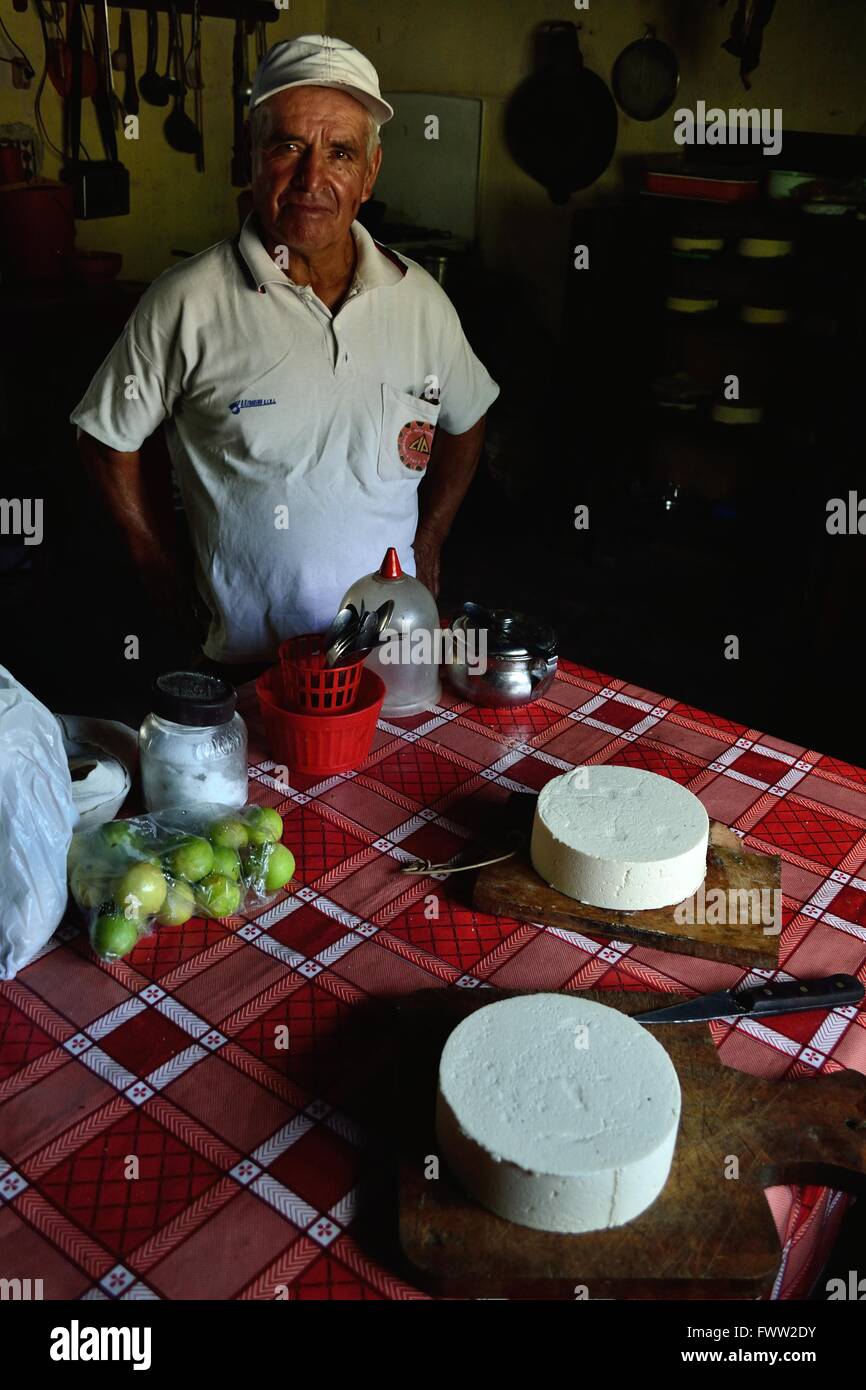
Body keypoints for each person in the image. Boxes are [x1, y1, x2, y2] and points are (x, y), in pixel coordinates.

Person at [71, 34, 499, 678]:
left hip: (394, 659)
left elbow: (467, 420)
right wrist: (156, 563)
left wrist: (430, 539)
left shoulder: (421, 303)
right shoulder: (188, 301)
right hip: (249, 667)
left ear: (370, 174)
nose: (311, 179)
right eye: (288, 146)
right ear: (251, 157)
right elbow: (106, 438)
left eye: (340, 153)